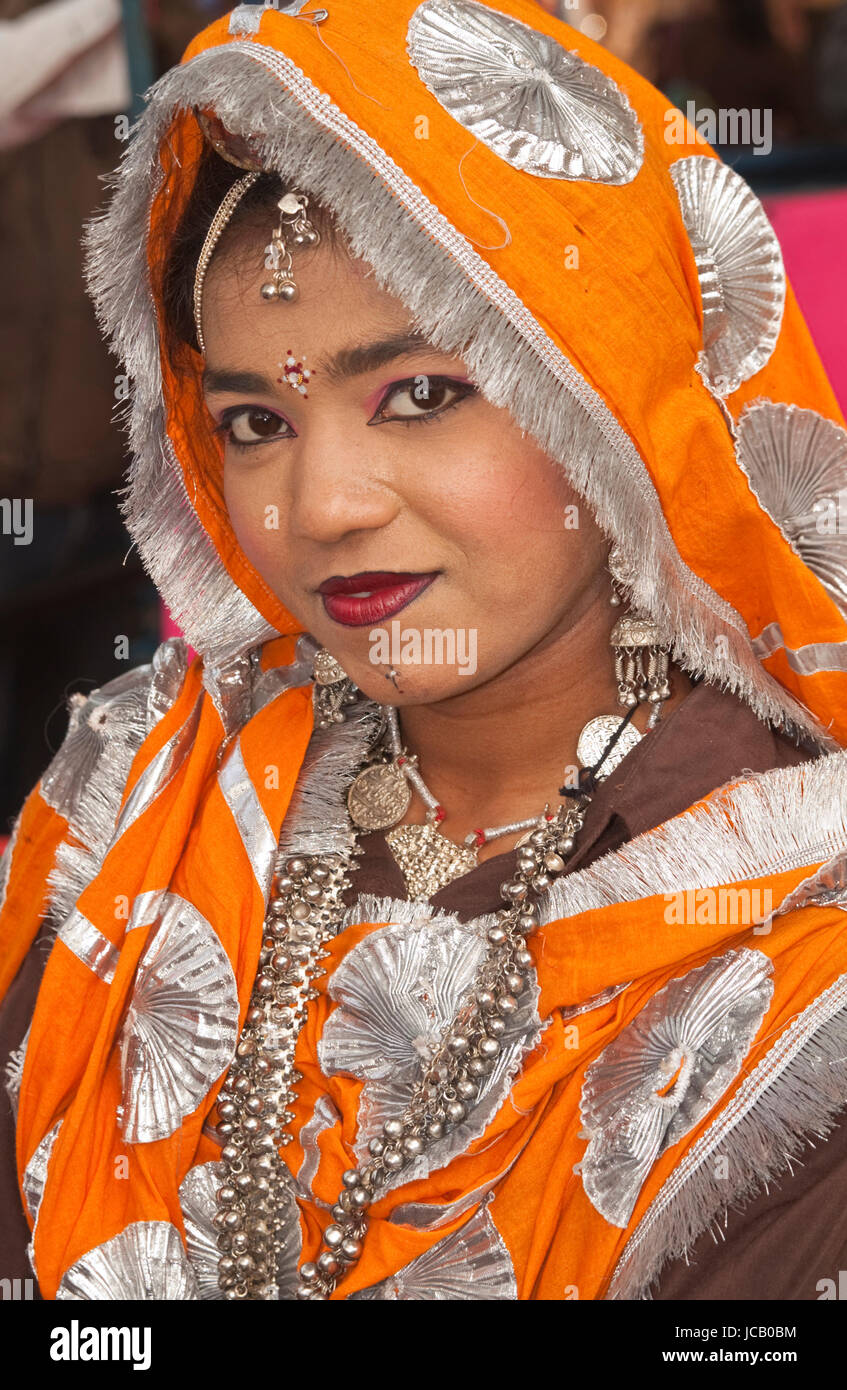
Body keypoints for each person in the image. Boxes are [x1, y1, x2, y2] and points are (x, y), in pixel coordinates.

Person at [1, 0, 847, 1302]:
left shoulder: (797, 961)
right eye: (253, 418)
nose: (322, 501)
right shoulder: (142, 792)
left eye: (420, 394)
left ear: (607, 381)